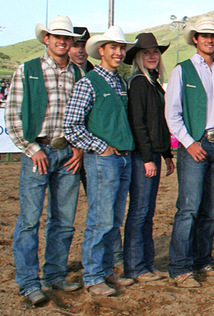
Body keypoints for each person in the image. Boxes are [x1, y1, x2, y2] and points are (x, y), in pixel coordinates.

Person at [7, 15, 86, 305]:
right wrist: (30, 148)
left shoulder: (78, 74)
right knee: (29, 219)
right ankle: (28, 282)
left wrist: (79, 148)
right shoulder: (27, 70)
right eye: (57, 36)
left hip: (68, 153)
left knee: (64, 220)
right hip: (37, 151)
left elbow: (83, 118)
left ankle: (54, 274)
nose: (62, 41)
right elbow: (13, 113)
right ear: (47, 39)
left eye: (67, 38)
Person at [64, 25, 137, 296]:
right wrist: (100, 147)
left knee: (113, 218)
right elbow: (71, 125)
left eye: (121, 48)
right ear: (101, 51)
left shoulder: (119, 82)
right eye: (113, 48)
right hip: (103, 160)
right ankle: (93, 275)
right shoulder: (87, 83)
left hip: (121, 157)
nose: (118, 52)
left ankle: (105, 270)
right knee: (100, 218)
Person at [164, 16, 214, 288]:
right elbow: (172, 113)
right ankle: (180, 267)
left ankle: (202, 260)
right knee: (189, 207)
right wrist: (189, 143)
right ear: (195, 38)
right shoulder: (182, 70)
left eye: (213, 36)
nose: (209, 40)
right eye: (204, 35)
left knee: (210, 208)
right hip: (196, 143)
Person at [123, 32, 174, 283]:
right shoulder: (140, 83)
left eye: (155, 52)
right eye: (147, 52)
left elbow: (159, 123)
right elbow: (138, 123)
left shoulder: (152, 82)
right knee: (140, 210)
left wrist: (165, 154)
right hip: (143, 155)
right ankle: (135, 266)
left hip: (153, 151)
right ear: (139, 57)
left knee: (147, 210)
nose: (152, 55)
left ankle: (146, 263)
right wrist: (147, 158)